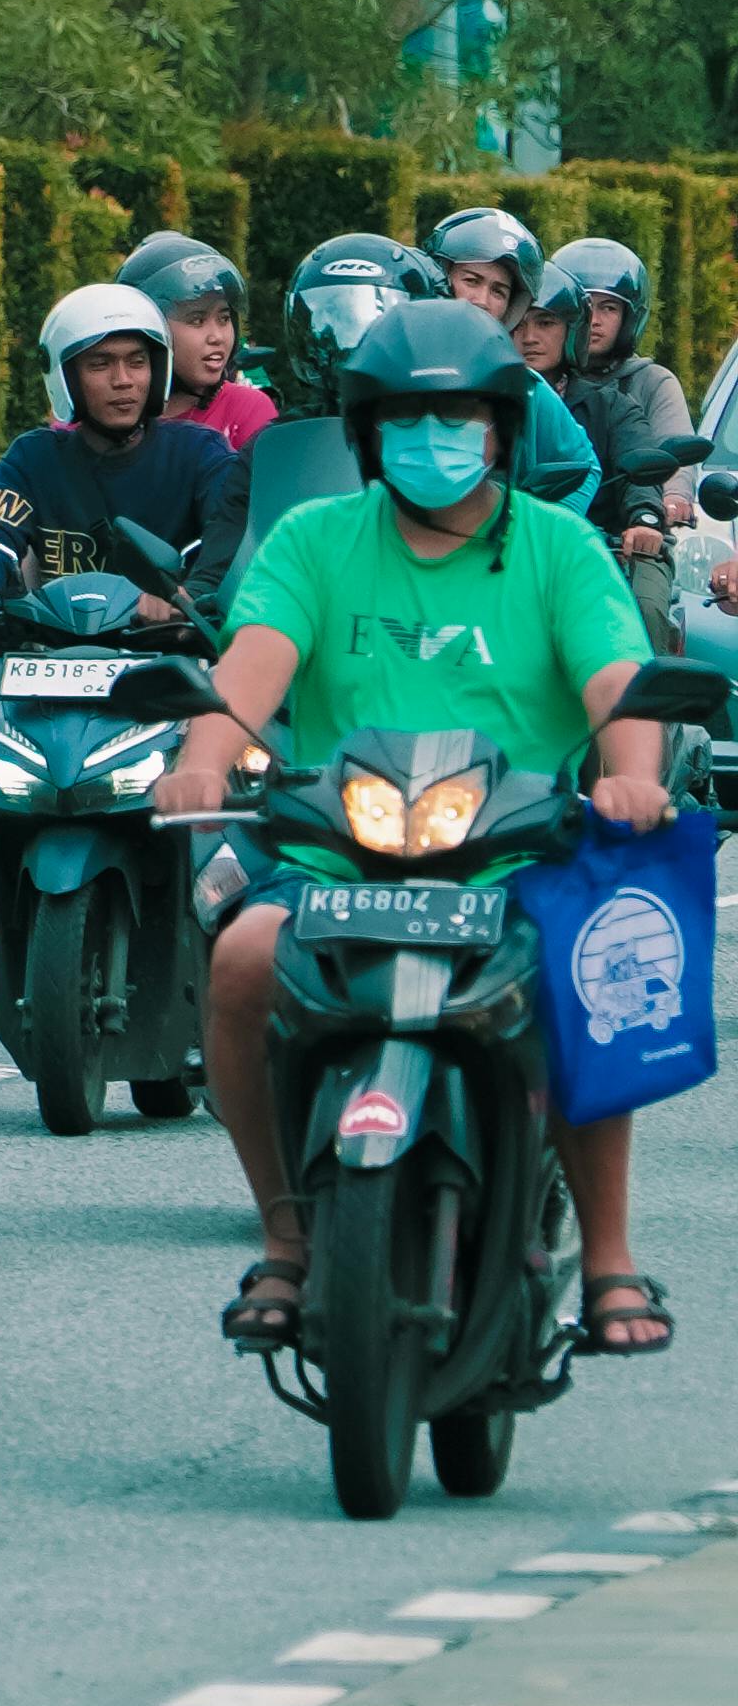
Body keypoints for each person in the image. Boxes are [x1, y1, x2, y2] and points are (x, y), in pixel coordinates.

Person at [157, 294, 682, 1364]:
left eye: (457, 418)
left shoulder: (559, 549)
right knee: (243, 958)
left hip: (517, 856)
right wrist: (200, 759)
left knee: (592, 975)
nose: (432, 438)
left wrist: (632, 779)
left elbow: (618, 685)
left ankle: (608, 1256)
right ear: (366, 431)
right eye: (404, 417)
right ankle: (285, 1236)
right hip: (335, 856)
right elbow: (249, 668)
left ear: (500, 427)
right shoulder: (315, 541)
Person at [0, 284, 244, 996]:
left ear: (158, 370)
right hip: (55, 653)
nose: (123, 381)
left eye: (136, 362)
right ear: (66, 377)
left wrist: (188, 597)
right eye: (100, 364)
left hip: (163, 652)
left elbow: (222, 542)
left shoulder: (201, 454)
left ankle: (229, 884)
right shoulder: (34, 456)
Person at [529, 237, 696, 610]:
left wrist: (661, 506)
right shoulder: (510, 389)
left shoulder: (630, 393)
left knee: (646, 607)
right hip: (525, 535)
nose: (595, 319)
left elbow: (654, 457)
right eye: (585, 306)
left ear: (630, 317)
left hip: (619, 536)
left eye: (609, 307)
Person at [426, 208, 602, 515]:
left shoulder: (525, 387)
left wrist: (546, 531)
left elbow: (585, 468)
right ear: (439, 278)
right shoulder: (391, 365)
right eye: (471, 280)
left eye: (498, 291)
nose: (482, 301)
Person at [121, 233, 278, 455]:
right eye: (196, 320)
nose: (217, 337)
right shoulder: (109, 416)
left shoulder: (247, 409)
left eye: (224, 319)